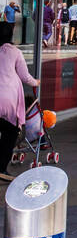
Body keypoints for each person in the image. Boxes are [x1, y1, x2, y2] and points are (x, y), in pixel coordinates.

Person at [0, 22, 39, 181]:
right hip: (8, 100)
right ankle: (1, 168)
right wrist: (36, 82)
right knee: (10, 133)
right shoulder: (14, 52)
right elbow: (25, 77)